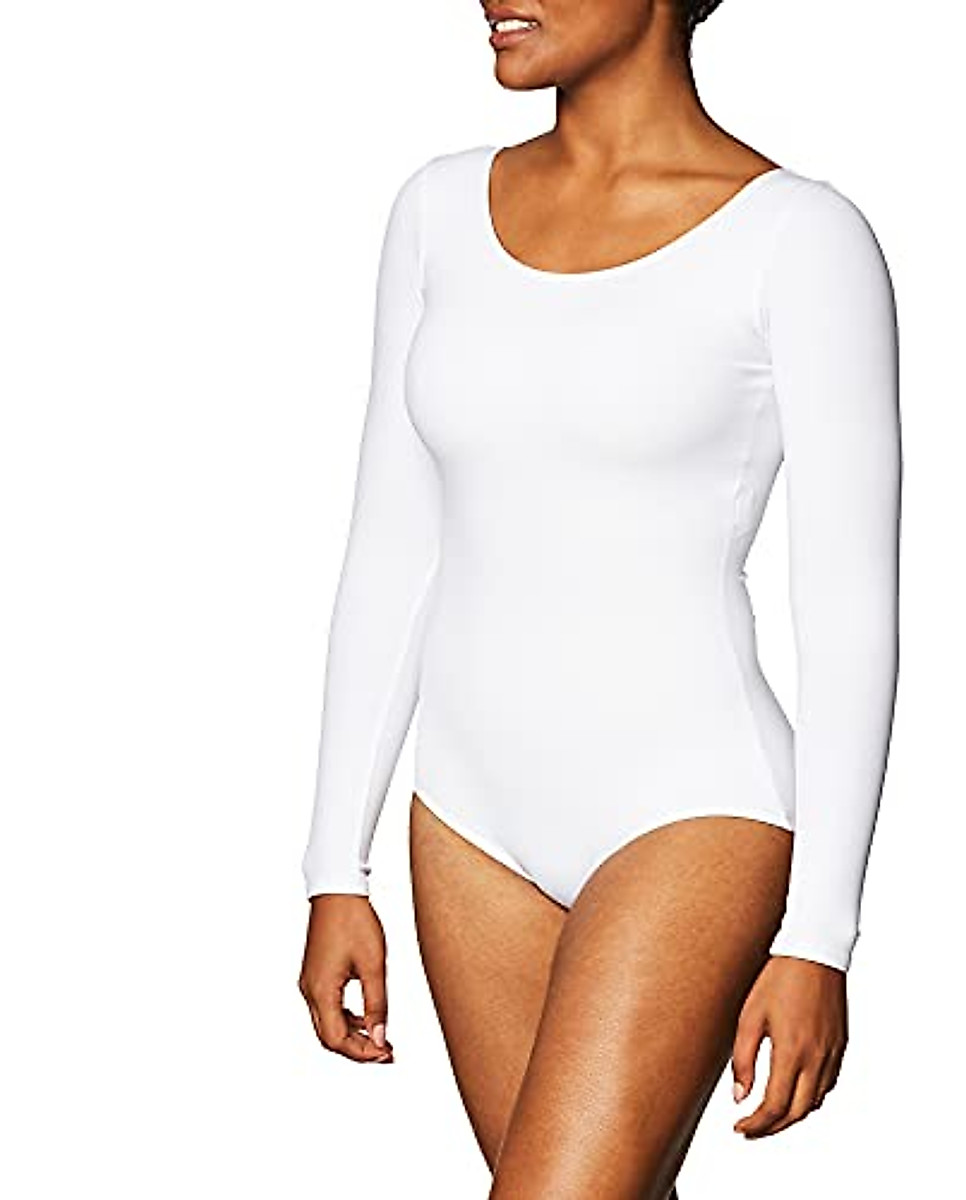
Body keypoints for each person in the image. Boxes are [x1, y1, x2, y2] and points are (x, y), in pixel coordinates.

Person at [298, 1, 901, 1195]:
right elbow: (392, 545)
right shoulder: (434, 211)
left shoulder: (800, 238)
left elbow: (847, 608)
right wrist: (333, 865)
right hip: (466, 820)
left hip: (690, 802)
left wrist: (819, 934)